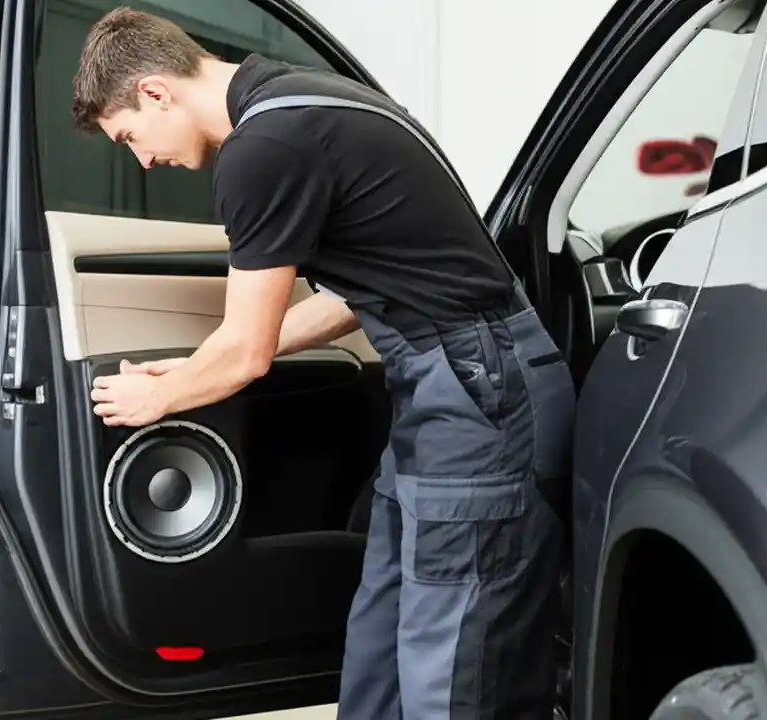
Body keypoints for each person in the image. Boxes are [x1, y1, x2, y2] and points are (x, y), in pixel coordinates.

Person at [75, 7, 574, 719]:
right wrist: (190, 367)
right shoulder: (306, 98)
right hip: (452, 380)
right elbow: (349, 294)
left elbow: (246, 352)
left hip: (481, 392)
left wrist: (162, 398)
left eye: (129, 137)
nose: (142, 160)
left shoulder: (263, 148)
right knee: (382, 636)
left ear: (155, 92)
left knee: (457, 664)